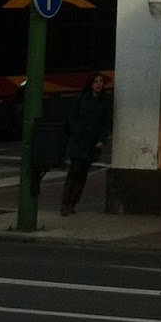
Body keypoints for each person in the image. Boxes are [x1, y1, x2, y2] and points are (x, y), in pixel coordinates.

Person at [60, 72, 112, 216]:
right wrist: (75, 131)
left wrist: (102, 139)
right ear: (90, 84)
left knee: (83, 173)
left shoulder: (104, 102)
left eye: (101, 81)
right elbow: (72, 117)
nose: (99, 84)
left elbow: (106, 123)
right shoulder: (82, 99)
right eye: (96, 81)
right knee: (74, 171)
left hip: (92, 142)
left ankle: (72, 203)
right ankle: (65, 203)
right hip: (79, 140)